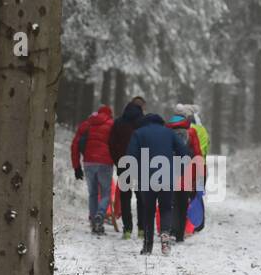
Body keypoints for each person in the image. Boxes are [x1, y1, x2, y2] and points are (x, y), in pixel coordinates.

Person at [125, 111, 189, 256]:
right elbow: (184, 152)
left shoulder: (138, 133)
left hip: (146, 177)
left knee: (148, 210)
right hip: (167, 176)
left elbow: (130, 156)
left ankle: (147, 246)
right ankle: (165, 236)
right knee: (166, 208)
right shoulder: (169, 132)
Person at [71, 104, 114, 235]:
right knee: (106, 193)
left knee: (93, 194)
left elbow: (75, 145)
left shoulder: (86, 124)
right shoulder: (112, 125)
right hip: (105, 163)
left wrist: (76, 166)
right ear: (109, 114)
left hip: (89, 162)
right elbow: (117, 143)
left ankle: (95, 223)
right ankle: (100, 215)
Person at [107, 98, 145, 240]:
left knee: (125, 197)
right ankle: (142, 229)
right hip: (141, 163)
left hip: (123, 162)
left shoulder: (119, 122)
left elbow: (111, 143)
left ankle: (127, 230)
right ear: (141, 108)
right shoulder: (143, 123)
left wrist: (117, 160)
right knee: (141, 197)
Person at [165, 104, 205, 242]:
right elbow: (198, 154)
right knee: (182, 204)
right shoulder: (192, 133)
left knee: (169, 203)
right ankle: (179, 234)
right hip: (187, 173)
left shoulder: (166, 131)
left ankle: (168, 230)